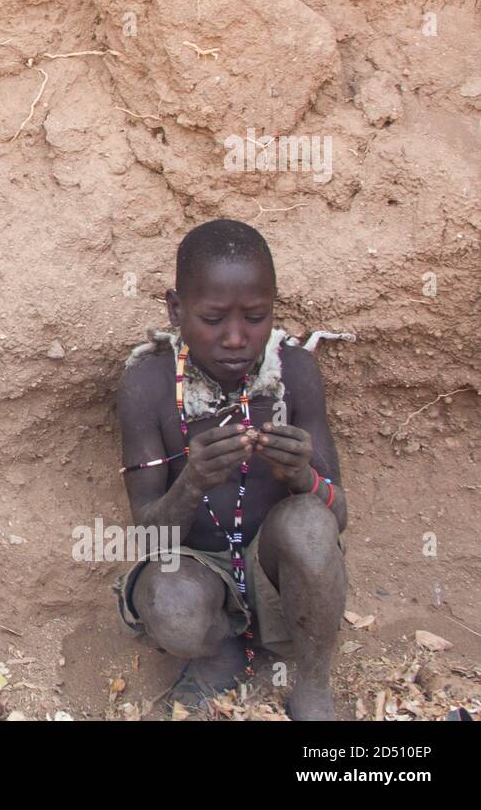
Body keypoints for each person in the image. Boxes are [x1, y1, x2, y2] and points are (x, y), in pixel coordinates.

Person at [113, 219, 348, 720]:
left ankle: (311, 680)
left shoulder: (294, 373)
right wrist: (192, 482)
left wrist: (303, 476)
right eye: (214, 318)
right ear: (176, 310)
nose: (237, 338)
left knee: (308, 524)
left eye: (257, 317)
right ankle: (223, 652)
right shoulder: (147, 385)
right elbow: (151, 538)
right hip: (201, 569)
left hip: (277, 568)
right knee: (170, 604)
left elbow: (337, 512)